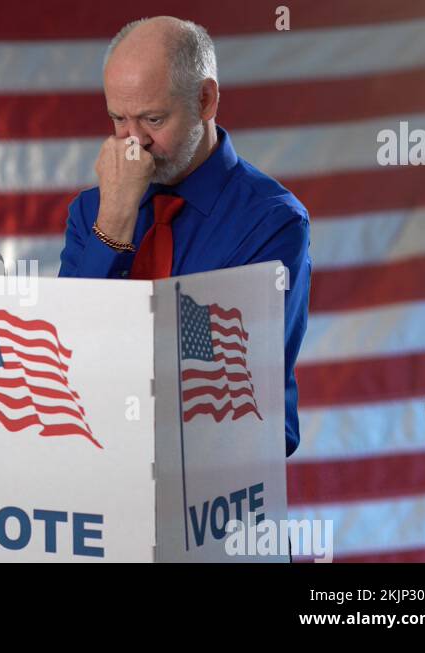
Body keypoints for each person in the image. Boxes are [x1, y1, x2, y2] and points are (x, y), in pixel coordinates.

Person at [58, 16, 312, 456]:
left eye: (153, 119)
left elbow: (232, 394)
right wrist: (115, 220)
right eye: (119, 119)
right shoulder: (92, 213)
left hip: (219, 481)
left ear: (205, 100)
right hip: (103, 475)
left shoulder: (272, 221)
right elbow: (67, 367)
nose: (133, 143)